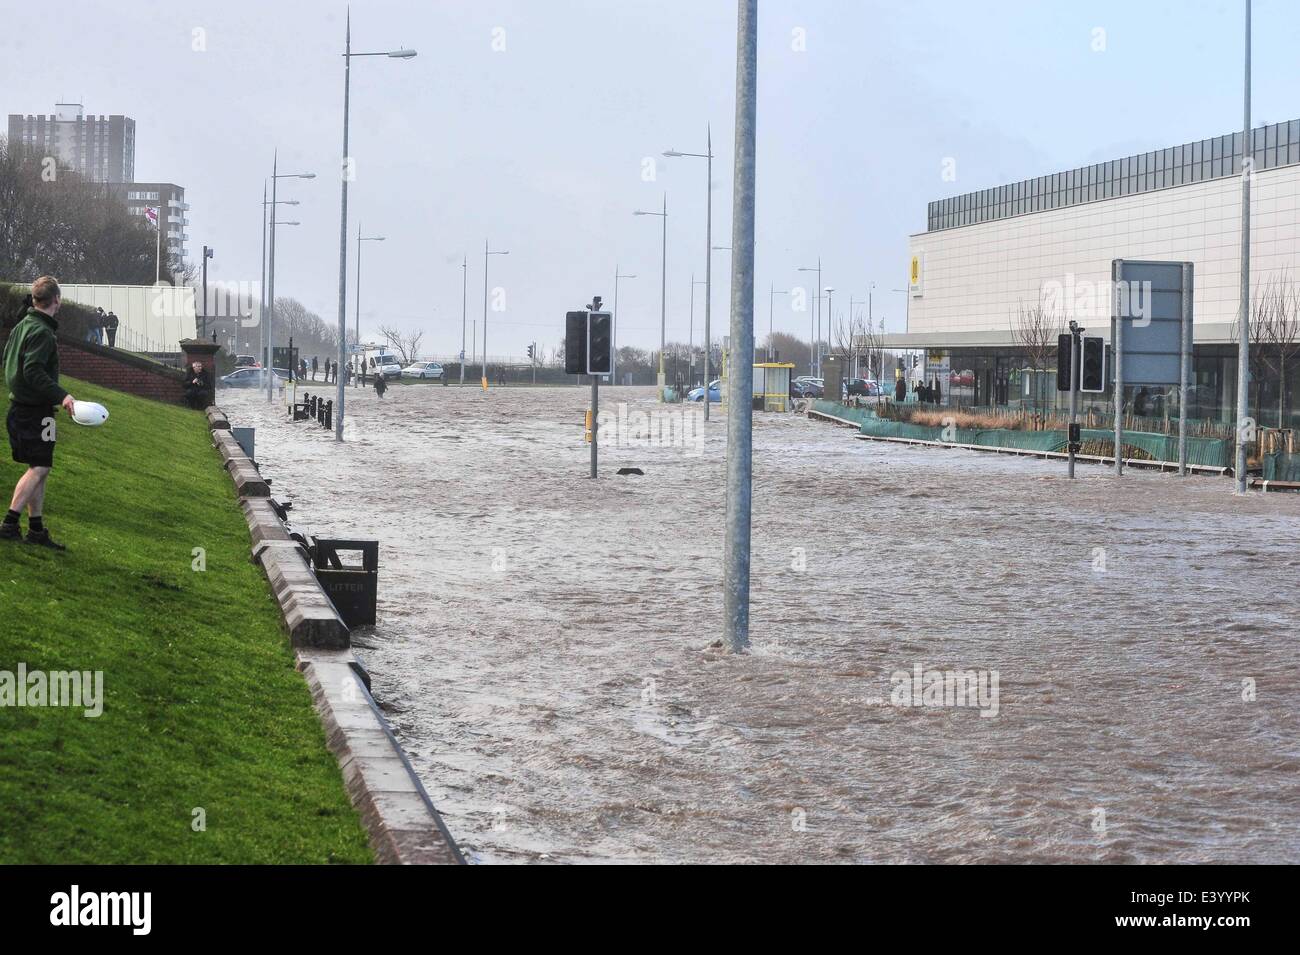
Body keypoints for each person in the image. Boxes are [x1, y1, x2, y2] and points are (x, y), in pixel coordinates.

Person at [2, 277, 77, 550]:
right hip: (34, 411)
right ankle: (9, 524)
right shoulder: (43, 332)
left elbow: (10, 363)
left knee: (40, 467)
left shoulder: (23, 325)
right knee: (41, 466)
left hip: (23, 408)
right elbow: (33, 370)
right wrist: (63, 395)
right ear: (56, 299)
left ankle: (36, 530)